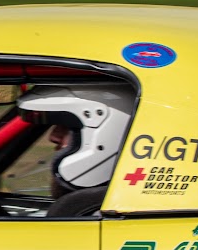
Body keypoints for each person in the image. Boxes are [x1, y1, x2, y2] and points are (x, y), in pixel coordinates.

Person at [16, 83, 136, 217]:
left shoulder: (79, 212)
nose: (52, 137)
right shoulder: (121, 204)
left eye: (66, 126)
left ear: (106, 135)